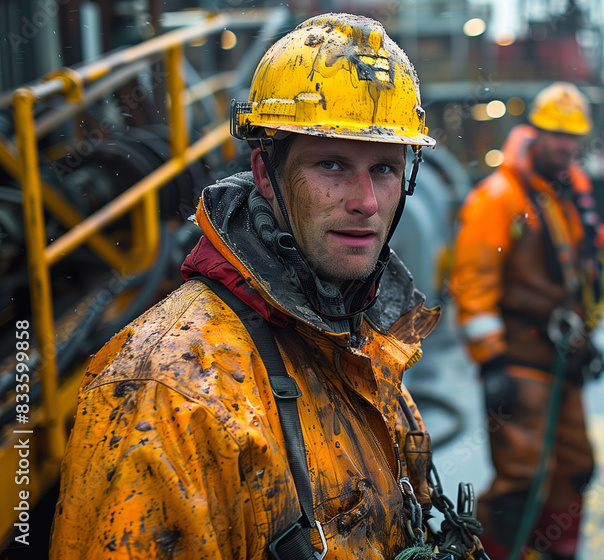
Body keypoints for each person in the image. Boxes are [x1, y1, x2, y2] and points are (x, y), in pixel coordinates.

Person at [50, 13, 484, 560]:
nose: (366, 202)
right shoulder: (167, 395)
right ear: (264, 173)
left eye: (383, 169)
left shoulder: (363, 336)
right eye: (331, 164)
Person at [449, 82, 604, 560]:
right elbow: (472, 282)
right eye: (555, 136)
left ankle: (556, 547)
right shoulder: (497, 198)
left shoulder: (563, 195)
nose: (564, 146)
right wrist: (493, 362)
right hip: (519, 358)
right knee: (523, 480)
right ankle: (492, 552)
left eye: (572, 138)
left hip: (562, 358)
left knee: (576, 465)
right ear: (535, 132)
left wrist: (587, 338)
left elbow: (577, 272)